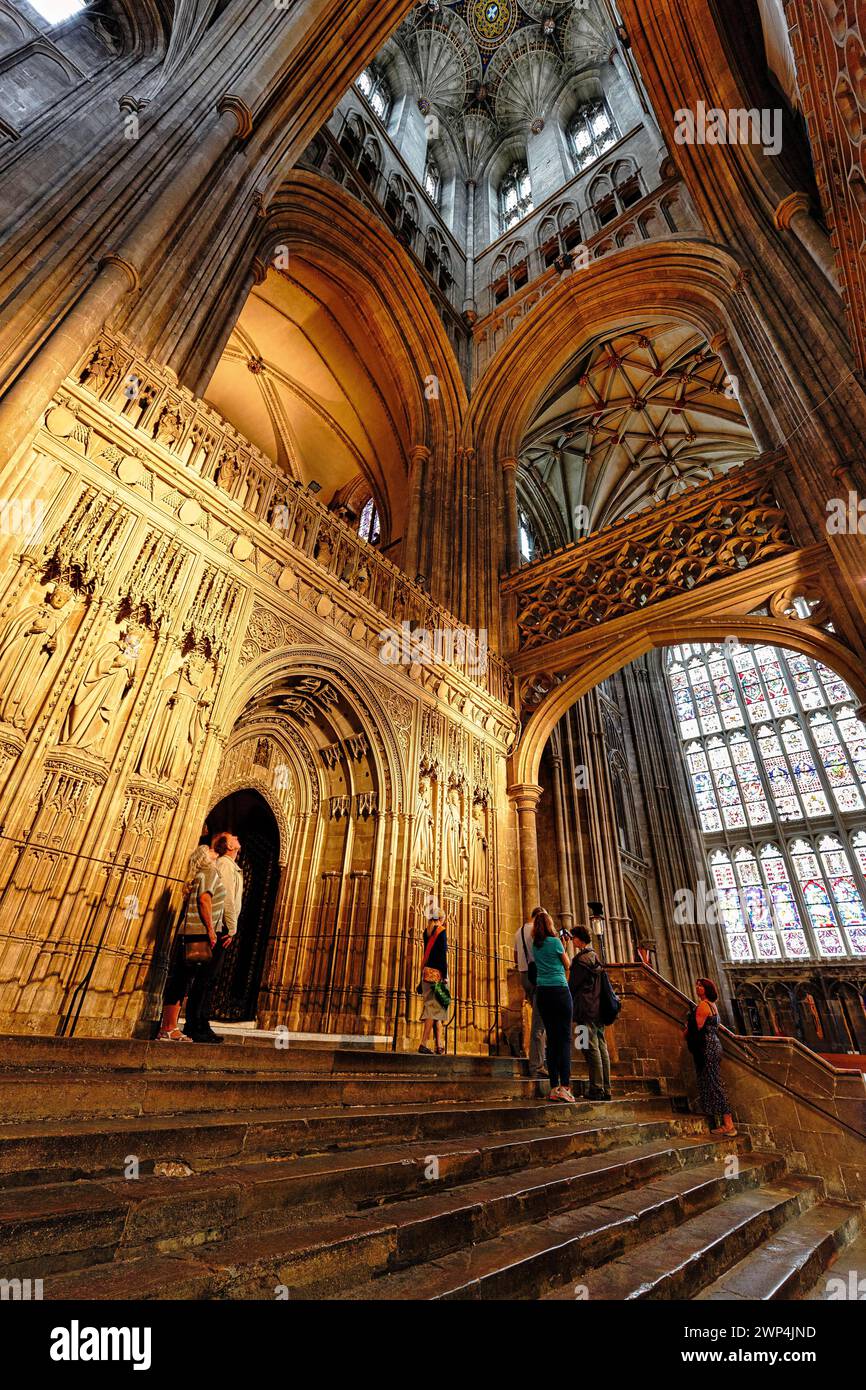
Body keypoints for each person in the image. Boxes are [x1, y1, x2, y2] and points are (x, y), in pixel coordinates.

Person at [157, 845, 225, 1042]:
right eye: (211, 849)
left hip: (188, 932)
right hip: (198, 932)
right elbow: (205, 901)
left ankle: (168, 1027)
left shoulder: (200, 874)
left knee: (181, 979)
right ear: (204, 856)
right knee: (183, 980)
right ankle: (169, 1027)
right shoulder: (210, 871)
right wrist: (211, 931)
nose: (215, 851)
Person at [183, 831, 242, 1042]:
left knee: (209, 978)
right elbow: (225, 897)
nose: (237, 838)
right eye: (233, 837)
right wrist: (231, 928)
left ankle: (198, 1022)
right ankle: (197, 1024)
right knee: (207, 978)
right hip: (221, 927)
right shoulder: (225, 865)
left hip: (221, 926)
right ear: (228, 846)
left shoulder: (230, 866)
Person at [684, 977, 737, 1137]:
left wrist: (687, 1028)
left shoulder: (702, 1005)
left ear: (706, 989)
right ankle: (722, 1122)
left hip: (706, 1047)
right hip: (714, 1044)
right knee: (713, 1082)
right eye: (697, 985)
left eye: (700, 986)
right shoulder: (713, 1006)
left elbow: (696, 1029)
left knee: (714, 1084)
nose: (697, 987)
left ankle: (729, 1125)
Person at [532, 910, 574, 1102]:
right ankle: (565, 1086)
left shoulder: (535, 945)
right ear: (550, 925)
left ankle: (554, 1087)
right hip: (559, 992)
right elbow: (567, 965)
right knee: (564, 1039)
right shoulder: (555, 942)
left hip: (543, 994)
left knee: (551, 1040)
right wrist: (564, 947)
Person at [568, 924, 612, 1100]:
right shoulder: (595, 957)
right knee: (601, 1047)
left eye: (573, 938)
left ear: (578, 939)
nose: (572, 940)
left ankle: (596, 1089)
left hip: (585, 1011)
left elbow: (572, 986)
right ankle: (606, 1088)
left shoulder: (580, 960)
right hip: (598, 1010)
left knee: (588, 1047)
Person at [513, 905, 547, 1077]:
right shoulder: (536, 931)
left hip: (524, 975)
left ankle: (535, 1057)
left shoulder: (518, 931)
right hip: (538, 976)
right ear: (539, 916)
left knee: (537, 1018)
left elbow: (515, 955)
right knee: (540, 1023)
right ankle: (537, 1064)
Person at [418, 909, 448, 1054]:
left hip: (426, 974)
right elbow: (442, 956)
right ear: (441, 919)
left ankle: (439, 1045)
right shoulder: (441, 931)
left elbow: (426, 955)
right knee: (432, 1010)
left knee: (438, 1009)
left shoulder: (426, 932)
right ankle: (423, 1043)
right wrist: (446, 975)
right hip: (436, 976)